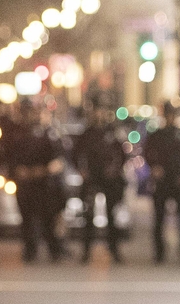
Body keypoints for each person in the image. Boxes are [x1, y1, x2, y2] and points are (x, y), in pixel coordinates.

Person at [8, 103, 68, 262]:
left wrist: (44, 171)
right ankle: (30, 250)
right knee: (26, 219)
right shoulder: (18, 134)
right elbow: (11, 158)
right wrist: (19, 171)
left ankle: (54, 250)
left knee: (48, 219)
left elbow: (59, 160)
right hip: (26, 183)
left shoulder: (51, 135)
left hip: (45, 184)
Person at [143, 101, 180, 264]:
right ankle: (159, 253)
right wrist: (154, 168)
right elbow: (147, 154)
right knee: (159, 219)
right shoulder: (157, 135)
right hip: (162, 181)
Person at [74, 106, 128, 263]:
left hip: (109, 180)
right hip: (92, 178)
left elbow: (122, 155)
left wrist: (115, 170)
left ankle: (114, 250)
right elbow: (76, 154)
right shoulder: (87, 133)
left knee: (111, 216)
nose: (99, 114)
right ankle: (86, 251)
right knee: (88, 215)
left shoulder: (112, 132)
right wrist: (82, 170)